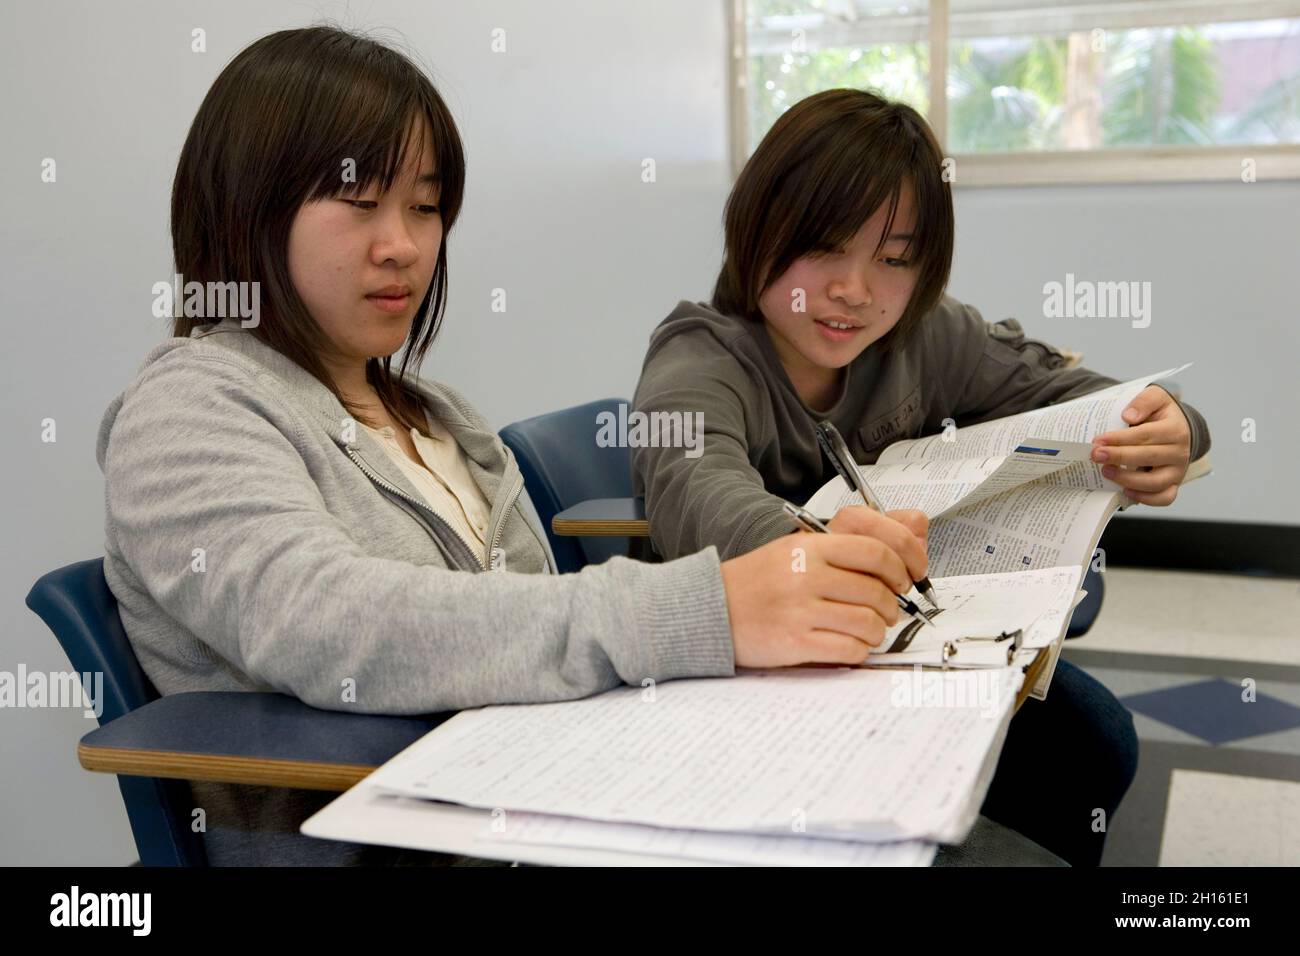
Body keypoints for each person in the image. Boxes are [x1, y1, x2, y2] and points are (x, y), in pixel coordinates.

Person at [97, 27, 1019, 866]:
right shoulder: (191, 402)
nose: (404, 247)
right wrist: (708, 610)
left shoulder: (436, 414)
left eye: (424, 208)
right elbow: (327, 621)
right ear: (244, 206)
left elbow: (520, 627)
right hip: (406, 840)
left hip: (539, 796)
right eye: (360, 202)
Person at [632, 88, 1212, 866]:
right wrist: (823, 554)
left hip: (908, 652)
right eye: (824, 248)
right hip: (749, 685)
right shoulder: (699, 359)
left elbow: (1094, 400)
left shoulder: (924, 338)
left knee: (1093, 743)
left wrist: (1172, 426)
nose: (854, 290)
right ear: (754, 230)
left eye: (895, 258)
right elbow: (696, 490)